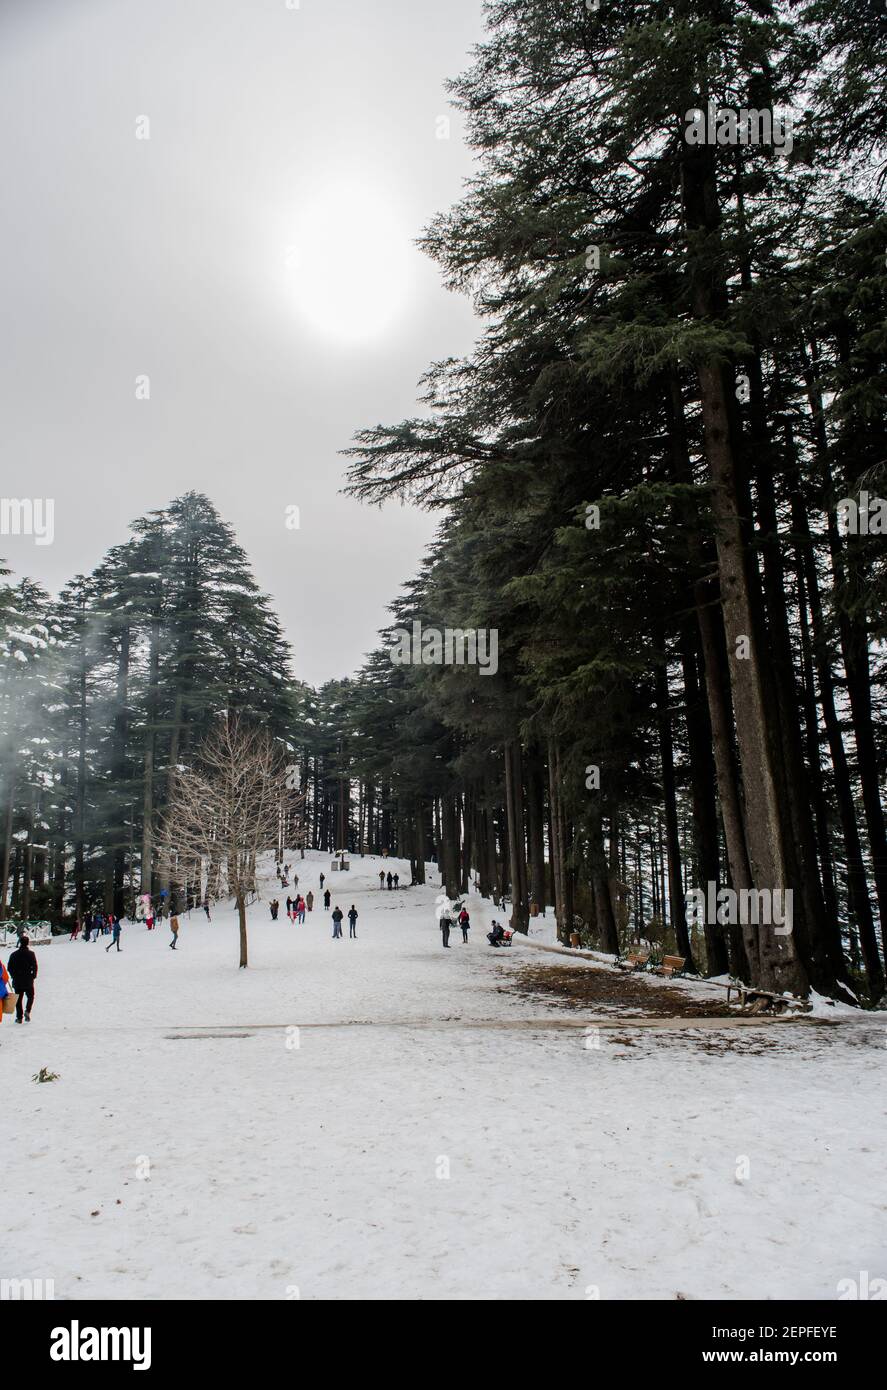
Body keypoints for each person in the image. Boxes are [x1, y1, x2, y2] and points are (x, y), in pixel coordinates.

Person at [8, 934, 38, 1022]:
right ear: (28, 943)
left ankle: (19, 1017)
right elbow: (35, 966)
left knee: (18, 999)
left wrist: (14, 976)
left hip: (17, 980)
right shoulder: (31, 954)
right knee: (31, 996)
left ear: (20, 943)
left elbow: (9, 967)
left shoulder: (14, 954)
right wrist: (33, 975)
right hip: (28, 979)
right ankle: (28, 1011)